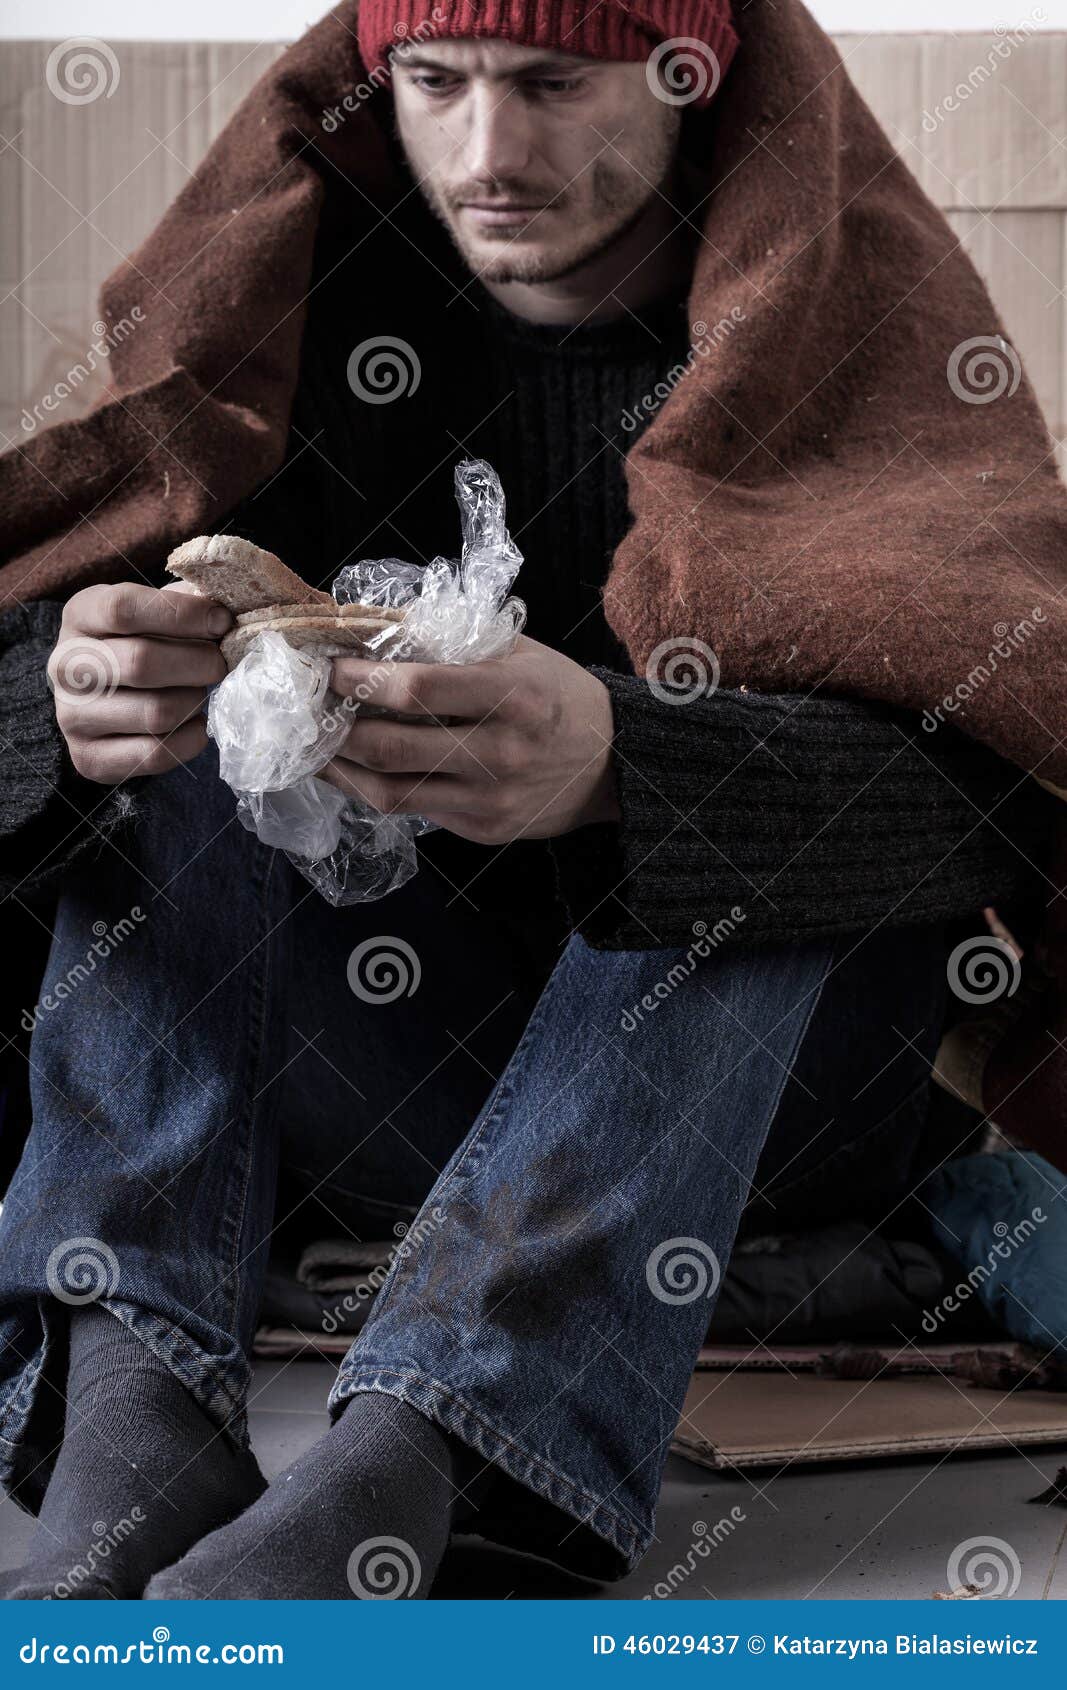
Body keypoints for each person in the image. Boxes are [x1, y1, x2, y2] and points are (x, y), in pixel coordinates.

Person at [0, 0, 1054, 1599]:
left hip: (736, 1116)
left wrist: (630, 769)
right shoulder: (293, 309)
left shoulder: (850, 317)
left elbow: (1010, 791)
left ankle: (446, 1447)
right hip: (368, 1091)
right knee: (194, 688)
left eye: (553, 85)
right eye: (435, 82)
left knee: (746, 794)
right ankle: (132, 1379)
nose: (486, 154)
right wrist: (56, 702)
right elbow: (53, 623)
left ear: (687, 78)